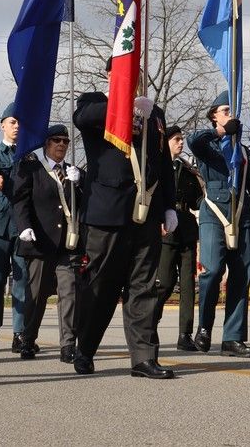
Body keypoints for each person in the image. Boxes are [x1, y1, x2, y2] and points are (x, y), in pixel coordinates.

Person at [72, 85, 176, 379]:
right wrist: (123, 107)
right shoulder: (95, 103)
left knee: (143, 287)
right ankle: (86, 348)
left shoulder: (154, 112)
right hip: (108, 212)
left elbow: (162, 162)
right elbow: (82, 118)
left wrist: (169, 205)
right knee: (102, 286)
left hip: (146, 210)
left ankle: (143, 357)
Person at [189, 92, 250, 357]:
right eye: (224, 109)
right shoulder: (208, 145)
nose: (230, 113)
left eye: (232, 110)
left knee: (241, 275)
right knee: (212, 270)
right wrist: (221, 131)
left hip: (240, 213)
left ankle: (232, 338)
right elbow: (193, 141)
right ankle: (204, 327)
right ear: (214, 116)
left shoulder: (243, 151)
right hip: (214, 212)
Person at [12, 124, 82, 362]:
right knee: (37, 294)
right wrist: (24, 227)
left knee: (68, 292)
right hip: (40, 241)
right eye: (56, 140)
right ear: (46, 144)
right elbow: (20, 201)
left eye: (65, 141)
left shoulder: (74, 172)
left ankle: (68, 345)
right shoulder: (32, 168)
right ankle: (28, 339)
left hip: (67, 243)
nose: (61, 144)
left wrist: (79, 185)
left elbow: (80, 207)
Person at [0, 103, 29, 353]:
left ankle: (19, 334)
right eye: (12, 122)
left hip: (22, 227)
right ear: (2, 125)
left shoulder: (29, 156)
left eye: (20, 123)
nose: (17, 126)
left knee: (22, 282)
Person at [154, 125, 203, 351]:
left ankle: (185, 335)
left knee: (187, 286)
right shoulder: (157, 167)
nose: (181, 143)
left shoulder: (188, 171)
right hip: (165, 229)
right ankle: (150, 326)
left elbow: (196, 202)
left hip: (186, 230)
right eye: (176, 139)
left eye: (182, 139)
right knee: (164, 283)